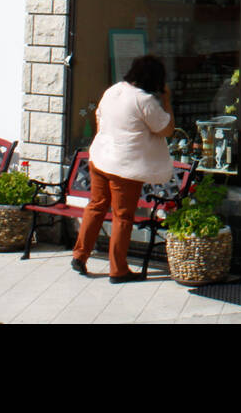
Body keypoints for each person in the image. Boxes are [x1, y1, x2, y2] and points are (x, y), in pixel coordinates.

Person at [72, 55, 175, 281]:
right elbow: (166, 129)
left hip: (99, 157)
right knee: (123, 216)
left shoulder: (113, 90)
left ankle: (80, 255)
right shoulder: (144, 100)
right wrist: (167, 100)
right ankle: (118, 270)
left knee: (96, 206)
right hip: (124, 166)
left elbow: (99, 117)